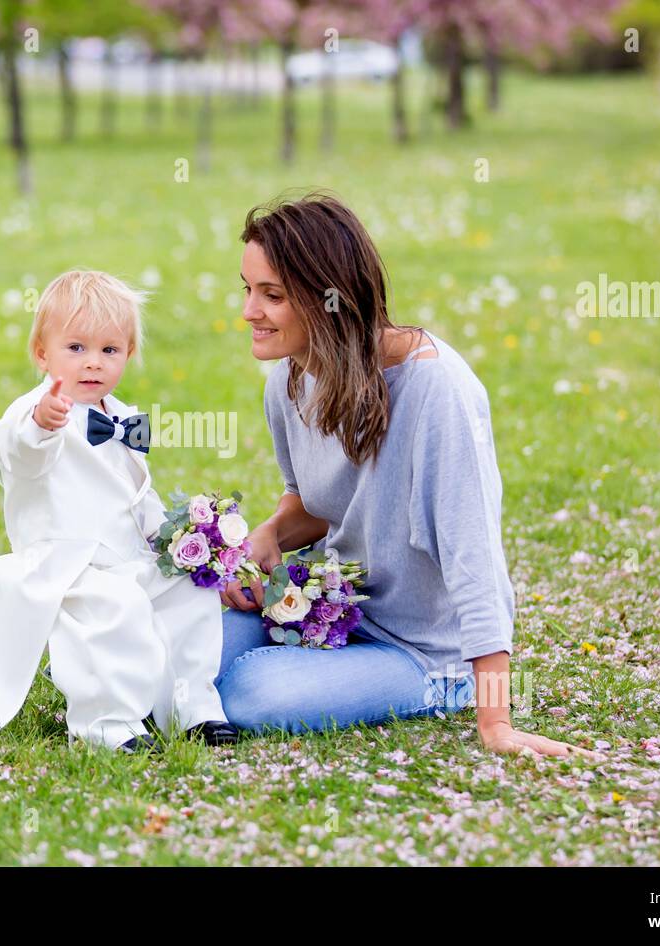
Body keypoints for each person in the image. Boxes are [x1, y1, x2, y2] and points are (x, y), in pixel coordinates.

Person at [218, 192, 601, 760]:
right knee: (178, 650)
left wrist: (496, 724)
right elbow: (323, 503)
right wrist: (271, 533)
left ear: (329, 300)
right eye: (248, 289)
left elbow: (477, 563)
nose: (250, 311)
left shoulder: (438, 392)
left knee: (252, 692)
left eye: (271, 295)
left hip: (423, 652)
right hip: (338, 612)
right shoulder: (289, 380)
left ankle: (445, 689)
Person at [0, 270, 238, 754]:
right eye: (76, 348)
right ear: (43, 354)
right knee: (113, 609)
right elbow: (19, 451)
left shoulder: (120, 415)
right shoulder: (35, 411)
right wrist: (40, 424)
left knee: (189, 593)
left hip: (125, 556)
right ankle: (107, 723)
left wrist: (171, 543)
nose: (93, 363)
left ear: (128, 354)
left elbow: (134, 493)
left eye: (110, 350)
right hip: (65, 562)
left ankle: (190, 707)